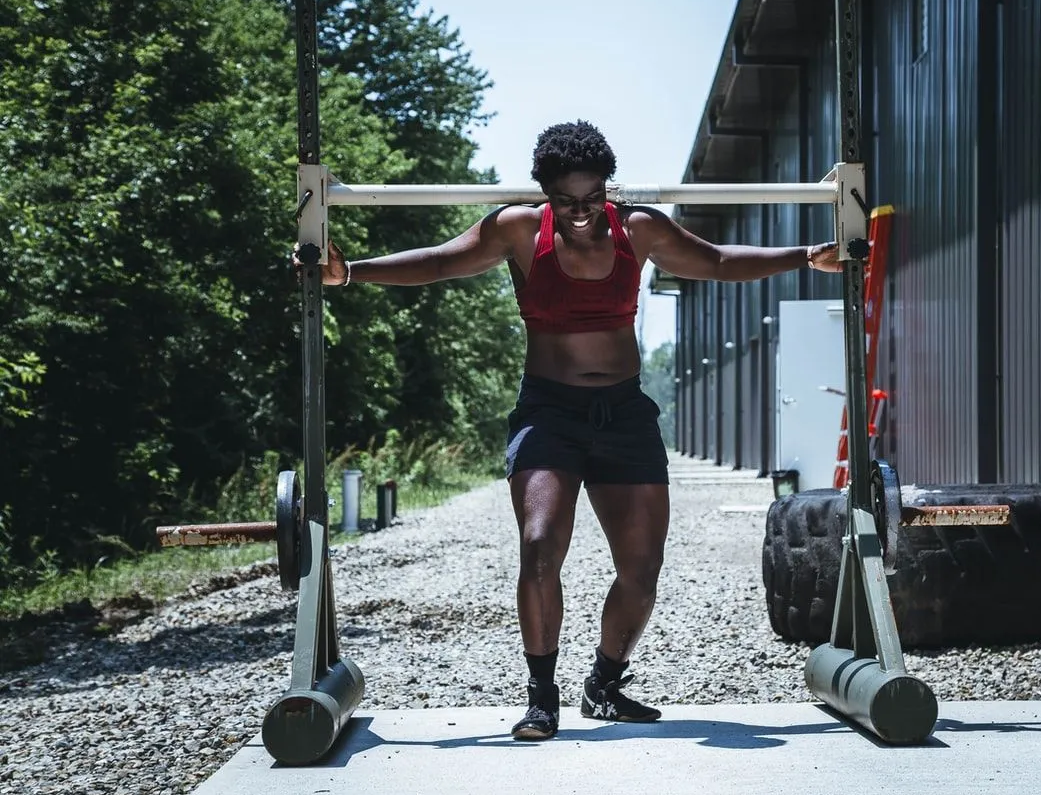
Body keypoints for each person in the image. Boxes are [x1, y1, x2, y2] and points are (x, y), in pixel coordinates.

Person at [314, 120, 841, 740]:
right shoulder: (517, 229)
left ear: (607, 190)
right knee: (539, 546)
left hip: (623, 413)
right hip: (548, 412)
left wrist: (806, 255)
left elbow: (718, 261)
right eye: (568, 201)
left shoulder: (637, 227)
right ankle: (542, 697)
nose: (583, 212)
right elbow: (438, 262)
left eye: (594, 198)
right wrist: (350, 274)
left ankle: (605, 684)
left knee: (642, 568)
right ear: (546, 194)